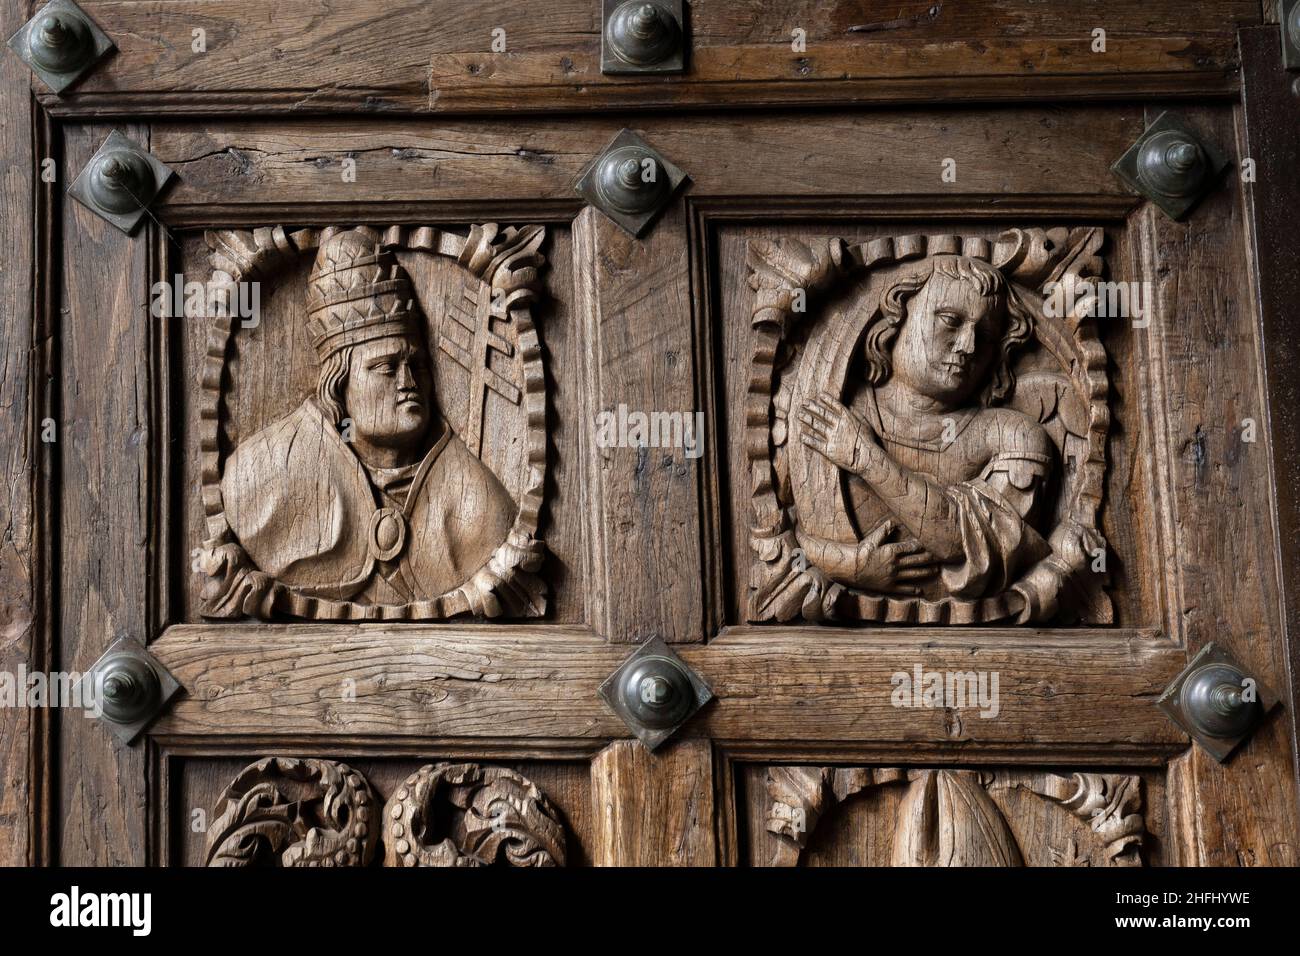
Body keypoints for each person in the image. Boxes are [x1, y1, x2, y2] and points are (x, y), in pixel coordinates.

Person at [221, 227, 515, 605]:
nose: (409, 382)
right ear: (338, 383)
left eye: (417, 364)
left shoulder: (478, 499)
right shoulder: (261, 474)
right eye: (386, 367)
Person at [797, 254, 1054, 601]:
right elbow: (775, 526)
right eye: (950, 320)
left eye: (986, 335)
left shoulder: (1011, 435)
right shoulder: (834, 411)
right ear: (897, 316)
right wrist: (848, 566)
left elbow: (961, 540)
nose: (968, 346)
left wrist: (866, 457)